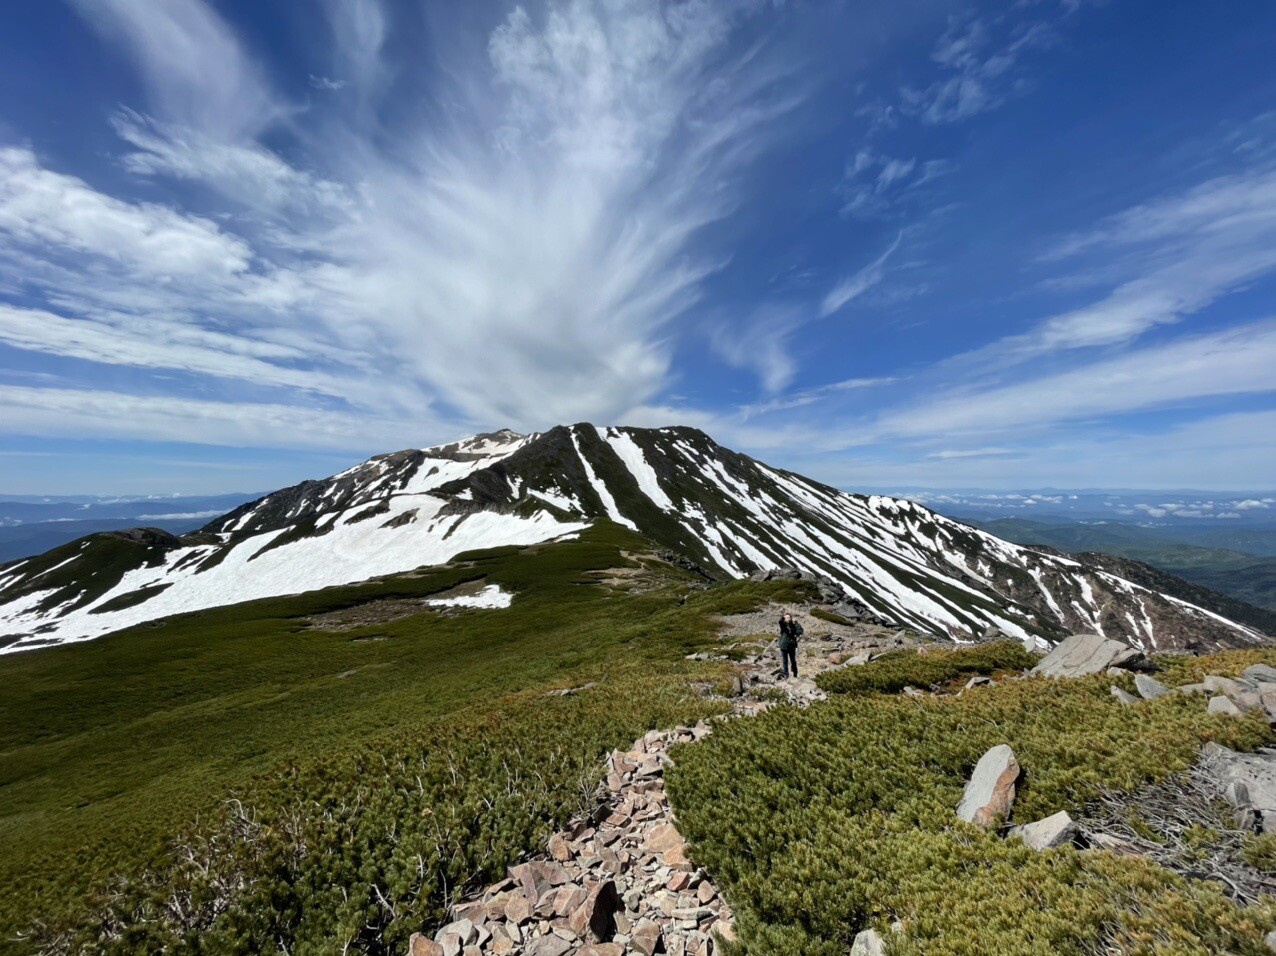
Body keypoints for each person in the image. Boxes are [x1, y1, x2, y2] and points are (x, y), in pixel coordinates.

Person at [778, 612, 803, 679]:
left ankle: (795, 674)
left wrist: (796, 623)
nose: (788, 619)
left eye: (789, 617)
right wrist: (782, 618)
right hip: (784, 645)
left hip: (792, 645)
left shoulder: (794, 625)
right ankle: (786, 674)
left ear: (791, 618)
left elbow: (800, 631)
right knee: (785, 661)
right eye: (786, 618)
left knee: (793, 661)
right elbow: (780, 622)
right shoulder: (784, 625)